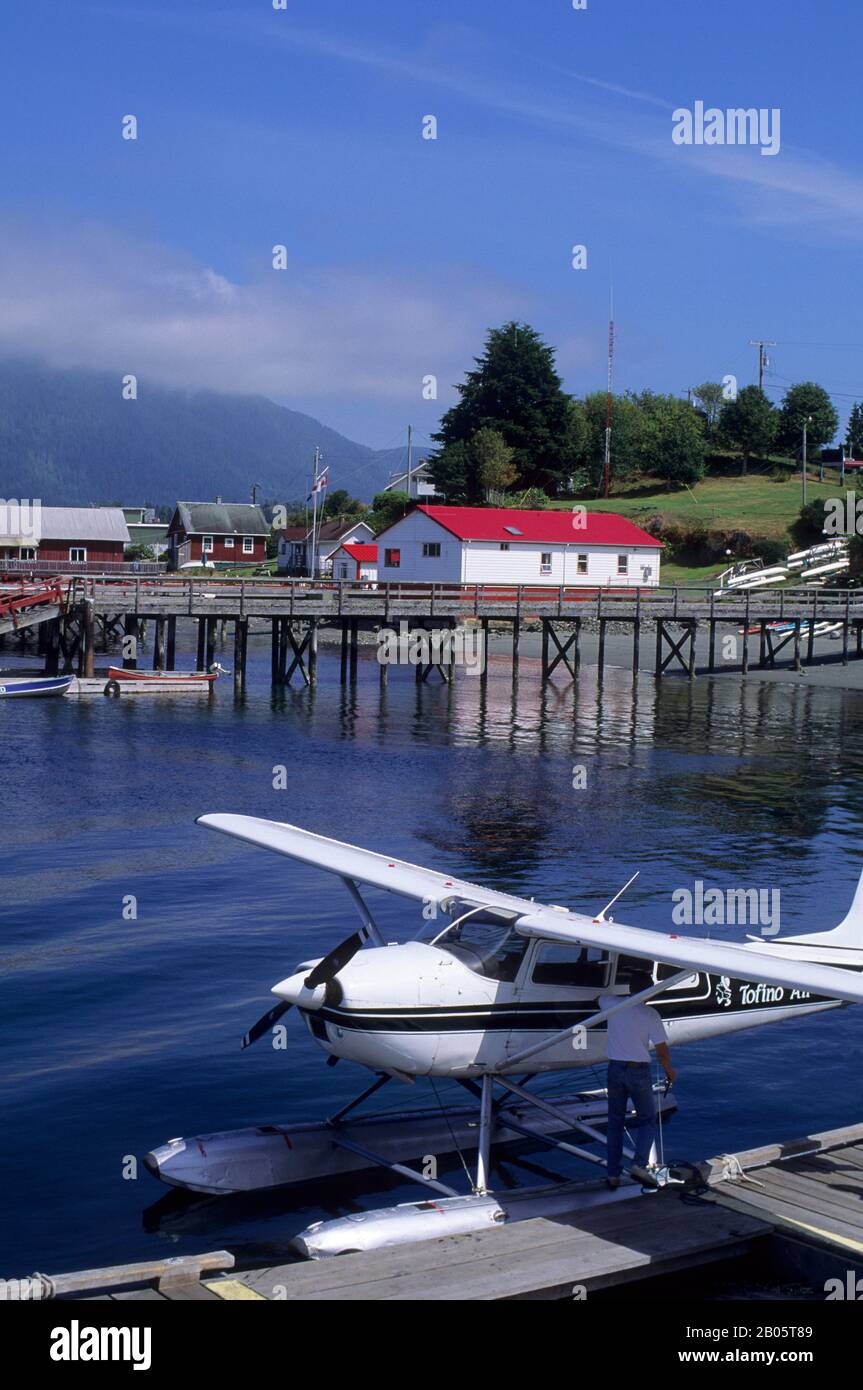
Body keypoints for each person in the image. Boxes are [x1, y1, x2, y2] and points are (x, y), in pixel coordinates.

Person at [598, 969, 676, 1188]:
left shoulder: (612, 1003)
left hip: (614, 1069)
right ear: (649, 991)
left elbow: (598, 998)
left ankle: (612, 1174)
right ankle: (638, 1165)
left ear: (630, 988)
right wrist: (670, 1070)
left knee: (615, 1122)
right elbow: (661, 1050)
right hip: (638, 1071)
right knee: (647, 1119)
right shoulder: (650, 1015)